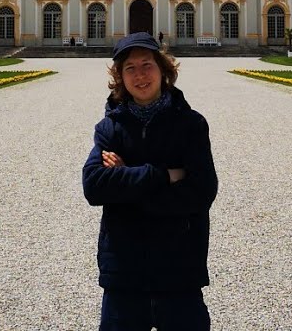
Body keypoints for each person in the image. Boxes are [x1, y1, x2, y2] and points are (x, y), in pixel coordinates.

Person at [81, 32, 218, 330]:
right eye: (130, 68)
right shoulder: (109, 128)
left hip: (179, 271)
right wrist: (164, 175)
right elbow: (93, 186)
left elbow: (202, 192)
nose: (140, 75)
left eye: (147, 65)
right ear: (120, 77)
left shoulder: (191, 124)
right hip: (124, 274)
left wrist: (127, 187)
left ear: (163, 69)